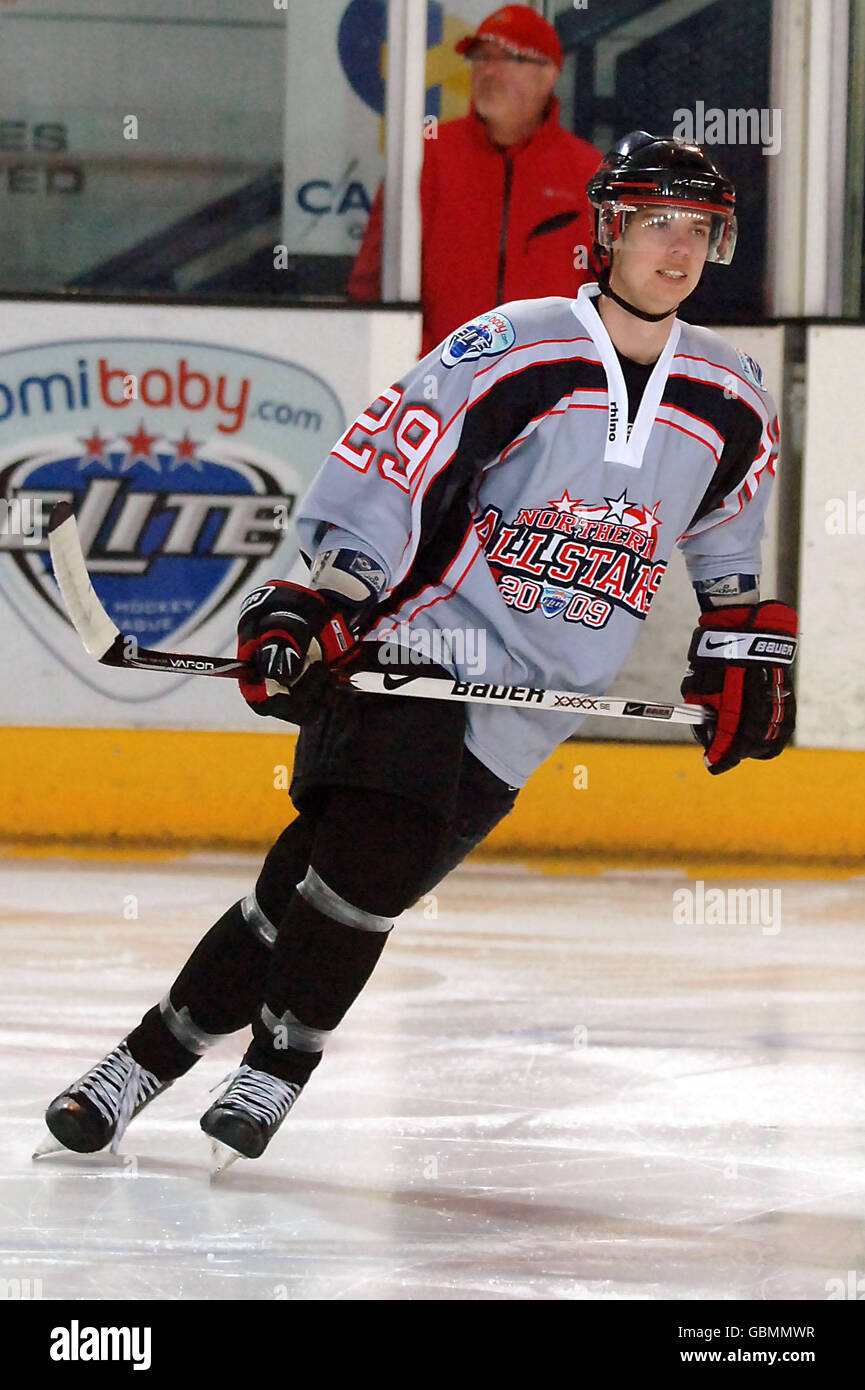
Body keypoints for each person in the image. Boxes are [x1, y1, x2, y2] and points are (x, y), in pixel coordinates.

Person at [37, 132, 798, 1173]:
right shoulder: (516, 348)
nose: (675, 251)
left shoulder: (731, 392)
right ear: (610, 231)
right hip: (424, 644)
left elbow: (724, 537)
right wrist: (318, 597)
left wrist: (739, 649)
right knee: (374, 862)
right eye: (655, 224)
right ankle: (279, 1063)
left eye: (697, 230)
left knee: (305, 891)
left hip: (538, 701)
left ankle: (142, 1060)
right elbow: (395, 465)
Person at [348, 4, 601, 357]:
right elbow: (373, 280)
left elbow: (609, 293)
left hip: (548, 389)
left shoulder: (589, 172)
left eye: (507, 58)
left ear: (548, 74)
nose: (488, 71)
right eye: (480, 58)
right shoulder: (427, 155)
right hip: (437, 383)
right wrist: (420, 365)